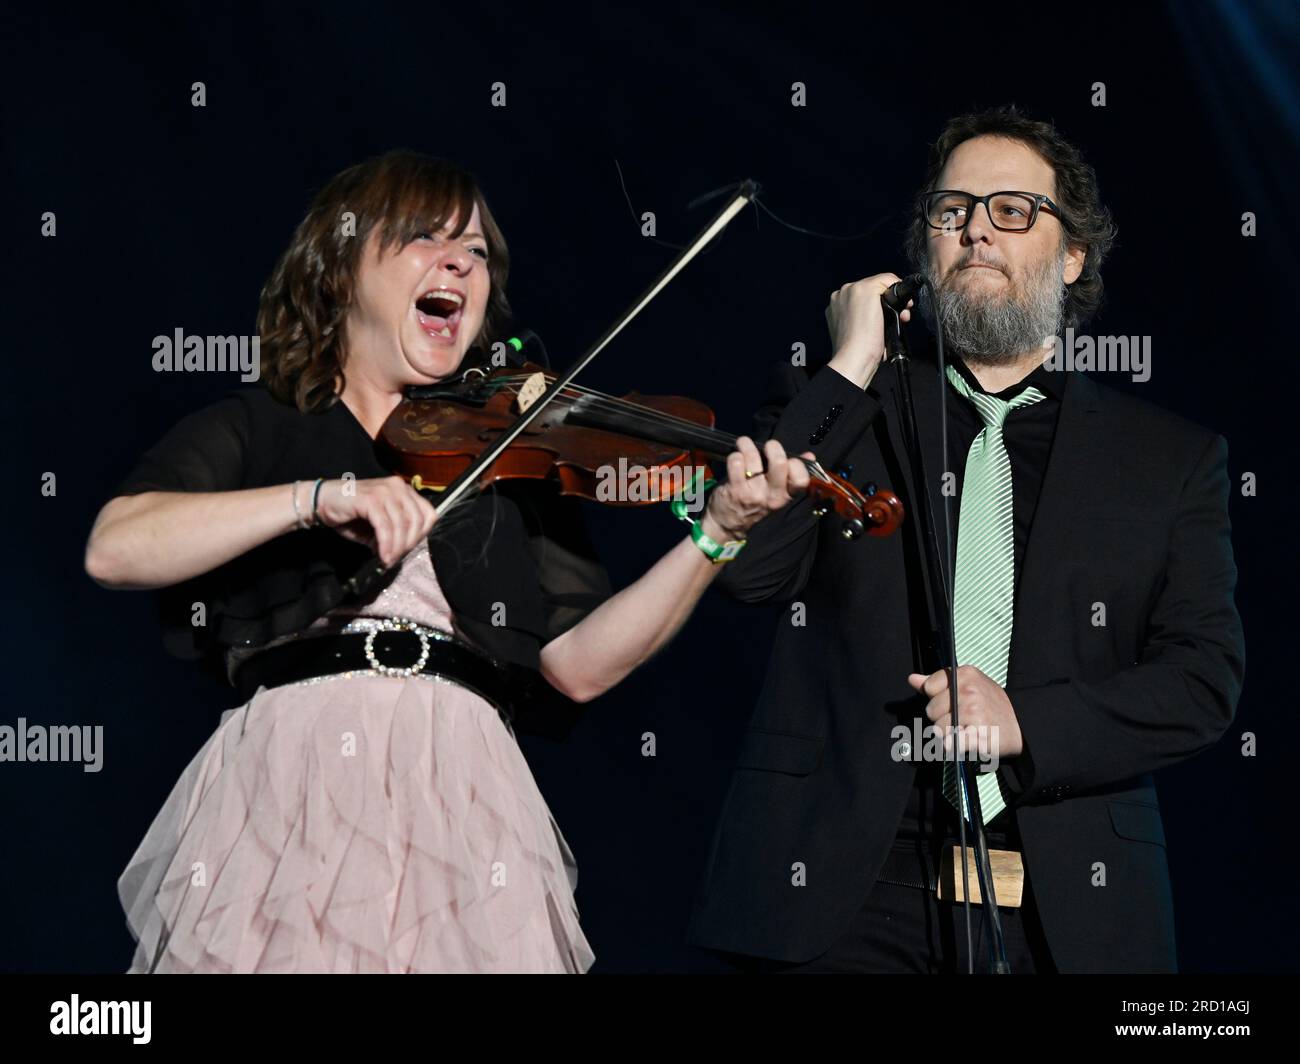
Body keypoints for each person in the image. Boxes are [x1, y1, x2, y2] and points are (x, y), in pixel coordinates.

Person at [86, 150, 810, 974]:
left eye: (476, 250)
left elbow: (576, 667)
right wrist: (317, 498)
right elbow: (118, 546)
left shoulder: (508, 457)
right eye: (427, 237)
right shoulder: (264, 426)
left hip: (462, 790)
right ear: (339, 267)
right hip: (295, 773)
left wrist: (715, 533)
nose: (462, 261)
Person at [688, 106, 1244, 974]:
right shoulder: (835, 404)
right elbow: (747, 570)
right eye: (953, 212)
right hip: (839, 893)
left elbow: (1203, 682)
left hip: (1071, 911)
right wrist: (848, 367)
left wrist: (1027, 720)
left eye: (1013, 210)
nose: (977, 227)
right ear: (924, 254)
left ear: (1072, 256)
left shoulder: (1169, 461)